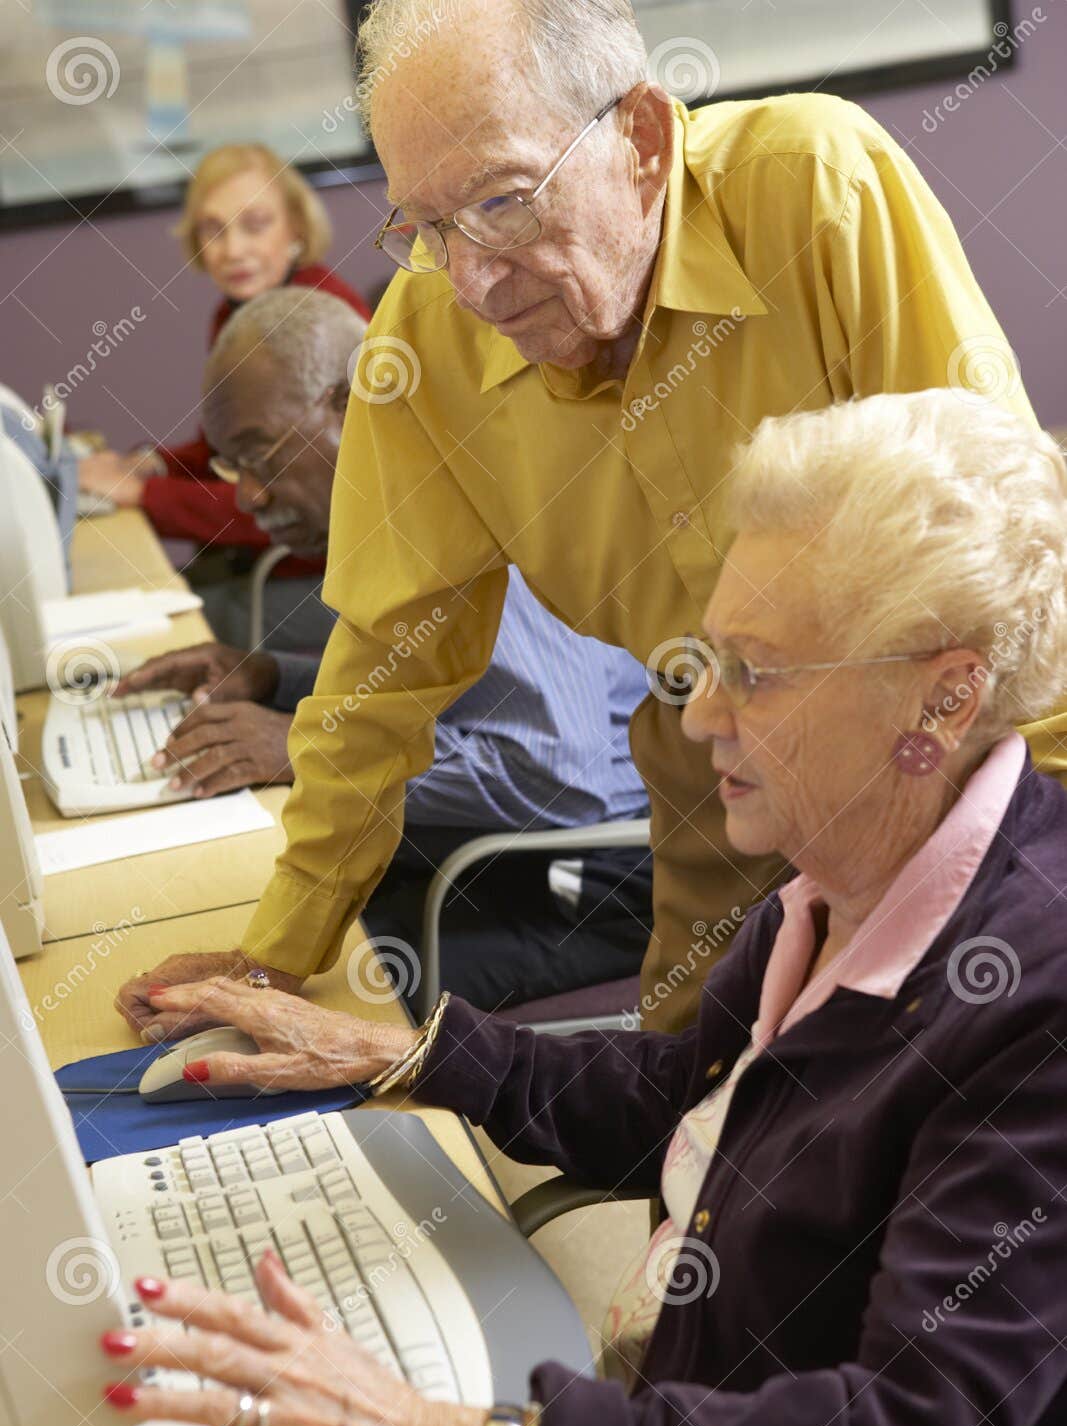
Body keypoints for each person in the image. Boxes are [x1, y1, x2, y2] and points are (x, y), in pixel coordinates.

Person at [102, 393, 1067, 1426]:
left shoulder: (1031, 1002)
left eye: (753, 675)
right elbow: (700, 1094)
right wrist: (393, 1053)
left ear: (941, 699)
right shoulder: (835, 871)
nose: (697, 712)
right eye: (707, 656)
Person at [115, 0, 1067, 1044]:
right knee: (696, 1131)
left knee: (961, 1090)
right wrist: (277, 952)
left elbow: (1008, 565)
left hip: (939, 751)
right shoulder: (420, 347)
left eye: (503, 202)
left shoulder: (818, 188)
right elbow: (380, 677)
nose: (469, 280)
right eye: (425, 226)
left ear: (643, 142)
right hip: (711, 761)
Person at [117, 286, 653, 1010]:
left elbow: (559, 775)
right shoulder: (398, 492)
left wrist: (295, 749)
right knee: (286, 911)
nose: (245, 497)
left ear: (352, 401)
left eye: (259, 455)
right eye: (228, 465)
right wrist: (275, 680)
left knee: (344, 991)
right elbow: (440, 690)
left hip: (586, 877)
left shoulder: (468, 492)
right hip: (512, 845)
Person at [77, 143, 371, 647]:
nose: (232, 249)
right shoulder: (241, 312)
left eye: (254, 224)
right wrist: (152, 464)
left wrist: (145, 495)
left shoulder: (316, 323)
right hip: (273, 563)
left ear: (296, 230)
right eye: (214, 228)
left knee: (164, 635)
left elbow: (280, 501)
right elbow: (231, 455)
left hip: (335, 580)